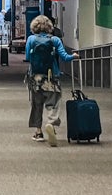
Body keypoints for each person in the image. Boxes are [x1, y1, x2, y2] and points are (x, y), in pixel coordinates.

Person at [24, 14, 78, 145]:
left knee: (37, 104)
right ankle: (51, 123)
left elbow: (28, 57)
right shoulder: (55, 40)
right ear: (49, 26)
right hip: (52, 76)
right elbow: (65, 57)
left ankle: (38, 132)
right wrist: (74, 56)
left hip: (35, 77)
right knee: (53, 103)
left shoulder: (31, 39)